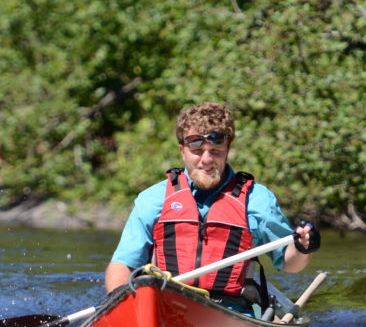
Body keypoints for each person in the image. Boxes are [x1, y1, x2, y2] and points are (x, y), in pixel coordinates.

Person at [104, 102, 319, 313]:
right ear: (182, 151)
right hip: (166, 307)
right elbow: (123, 265)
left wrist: (302, 248)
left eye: (215, 151)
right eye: (197, 150)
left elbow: (290, 264)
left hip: (231, 313)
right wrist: (122, 307)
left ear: (227, 150)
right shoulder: (153, 199)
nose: (206, 160)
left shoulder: (257, 200)